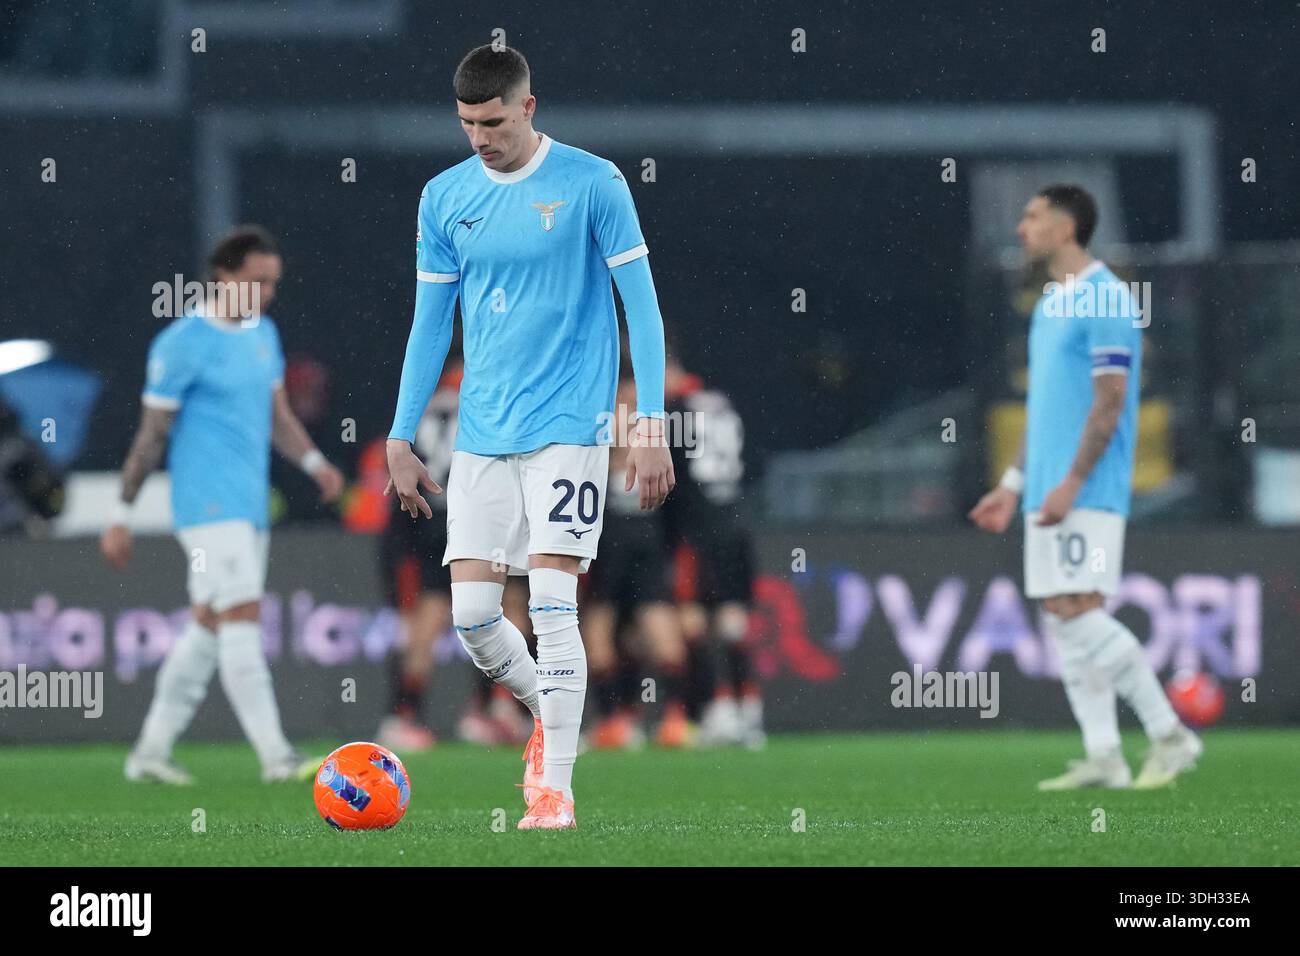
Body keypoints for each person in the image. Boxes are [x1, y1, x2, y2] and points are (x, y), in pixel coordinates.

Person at [384, 44, 673, 829]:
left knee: (551, 603)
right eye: (468, 123)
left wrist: (645, 424)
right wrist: (401, 434)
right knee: (474, 620)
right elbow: (429, 322)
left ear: (528, 107)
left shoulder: (593, 182)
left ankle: (555, 789)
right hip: (482, 433)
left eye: (493, 121)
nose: (481, 137)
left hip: (570, 427)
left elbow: (639, 309)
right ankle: (551, 722)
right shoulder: (443, 198)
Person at [969, 184, 1201, 790]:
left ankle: (1170, 735)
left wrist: (1072, 481)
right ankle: (1105, 755)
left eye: (1032, 215)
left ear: (1067, 226)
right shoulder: (1049, 305)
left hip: (1088, 488)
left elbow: (1111, 400)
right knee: (1060, 612)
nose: (1021, 228)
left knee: (1077, 609)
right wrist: (1013, 483)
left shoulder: (1108, 298)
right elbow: (1046, 410)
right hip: (1047, 487)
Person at [101, 225, 344, 784]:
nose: (267, 293)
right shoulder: (180, 343)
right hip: (206, 509)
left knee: (208, 626)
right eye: (258, 282)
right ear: (224, 277)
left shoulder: (264, 334)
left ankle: (149, 754)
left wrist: (314, 463)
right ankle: (277, 758)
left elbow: (278, 417)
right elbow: (150, 436)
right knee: (242, 617)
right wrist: (120, 513)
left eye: (273, 284)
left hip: (249, 507)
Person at [661, 356, 765, 748]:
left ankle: (718, 707)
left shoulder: (675, 411)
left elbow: (675, 473)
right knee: (733, 620)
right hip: (735, 521)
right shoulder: (723, 405)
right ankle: (749, 709)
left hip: (698, 526)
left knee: (693, 623)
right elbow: (752, 463)